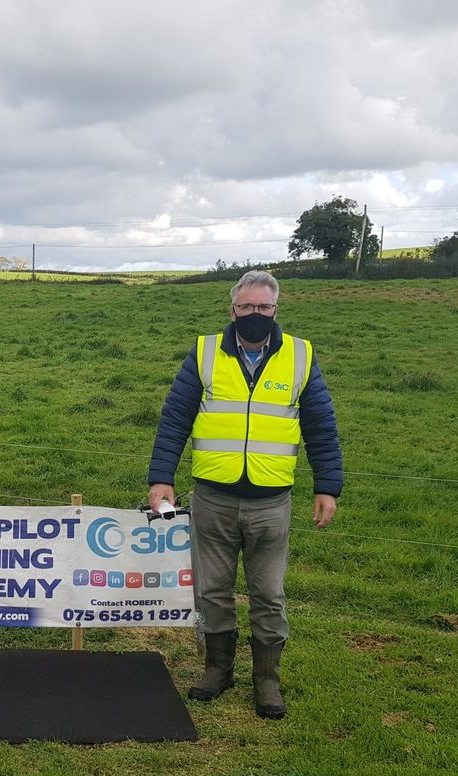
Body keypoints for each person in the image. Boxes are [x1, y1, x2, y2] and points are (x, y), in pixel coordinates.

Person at [147, 270, 342, 719]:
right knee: (212, 591)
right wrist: (161, 477)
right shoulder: (205, 352)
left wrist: (327, 486)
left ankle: (266, 681)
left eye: (264, 307)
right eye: (247, 306)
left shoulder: (300, 355)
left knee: (268, 594)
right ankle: (218, 670)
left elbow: (321, 426)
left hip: (271, 502)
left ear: (276, 309)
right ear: (232, 309)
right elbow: (175, 418)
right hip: (213, 497)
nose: (256, 314)